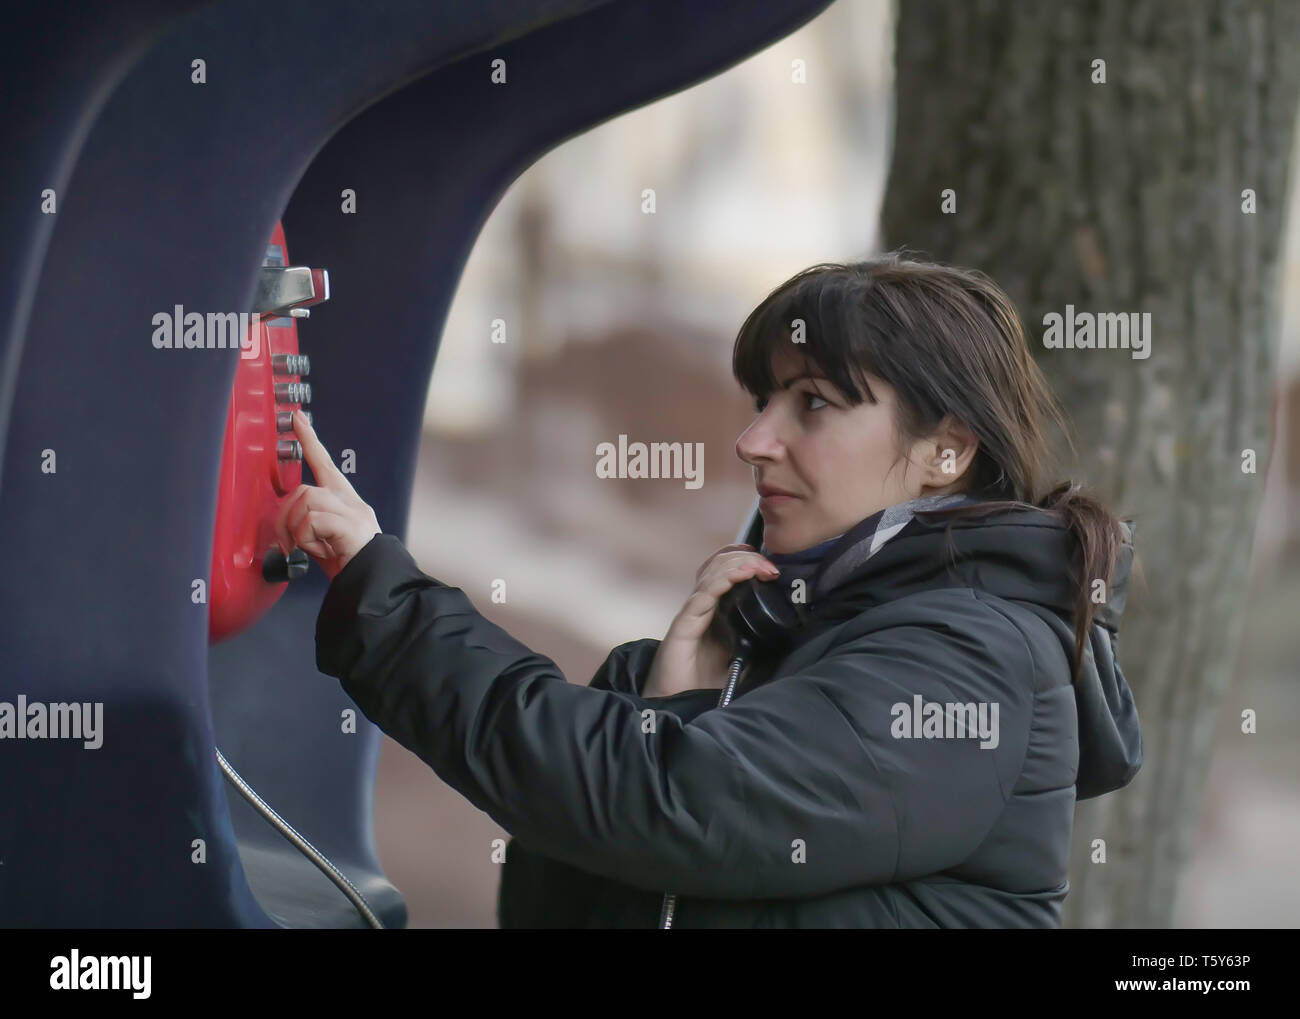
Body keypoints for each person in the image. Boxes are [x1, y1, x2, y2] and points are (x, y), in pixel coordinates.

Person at [281, 250, 1143, 929]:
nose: (754, 439)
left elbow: (662, 802)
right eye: (766, 397)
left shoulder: (973, 659)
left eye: (813, 404)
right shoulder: (784, 639)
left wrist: (390, 606)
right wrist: (672, 706)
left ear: (945, 449)